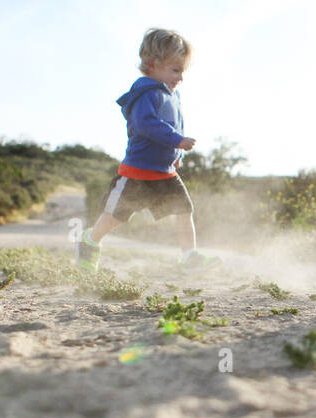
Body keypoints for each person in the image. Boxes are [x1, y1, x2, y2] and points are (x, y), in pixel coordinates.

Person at [77, 27, 219, 272]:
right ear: (152, 65)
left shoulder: (172, 96)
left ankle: (189, 258)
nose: (180, 77)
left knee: (184, 210)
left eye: (182, 71)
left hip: (165, 172)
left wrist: (177, 157)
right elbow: (146, 125)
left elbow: (174, 125)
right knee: (114, 217)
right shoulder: (146, 92)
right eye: (175, 70)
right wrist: (177, 140)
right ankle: (90, 242)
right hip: (137, 173)